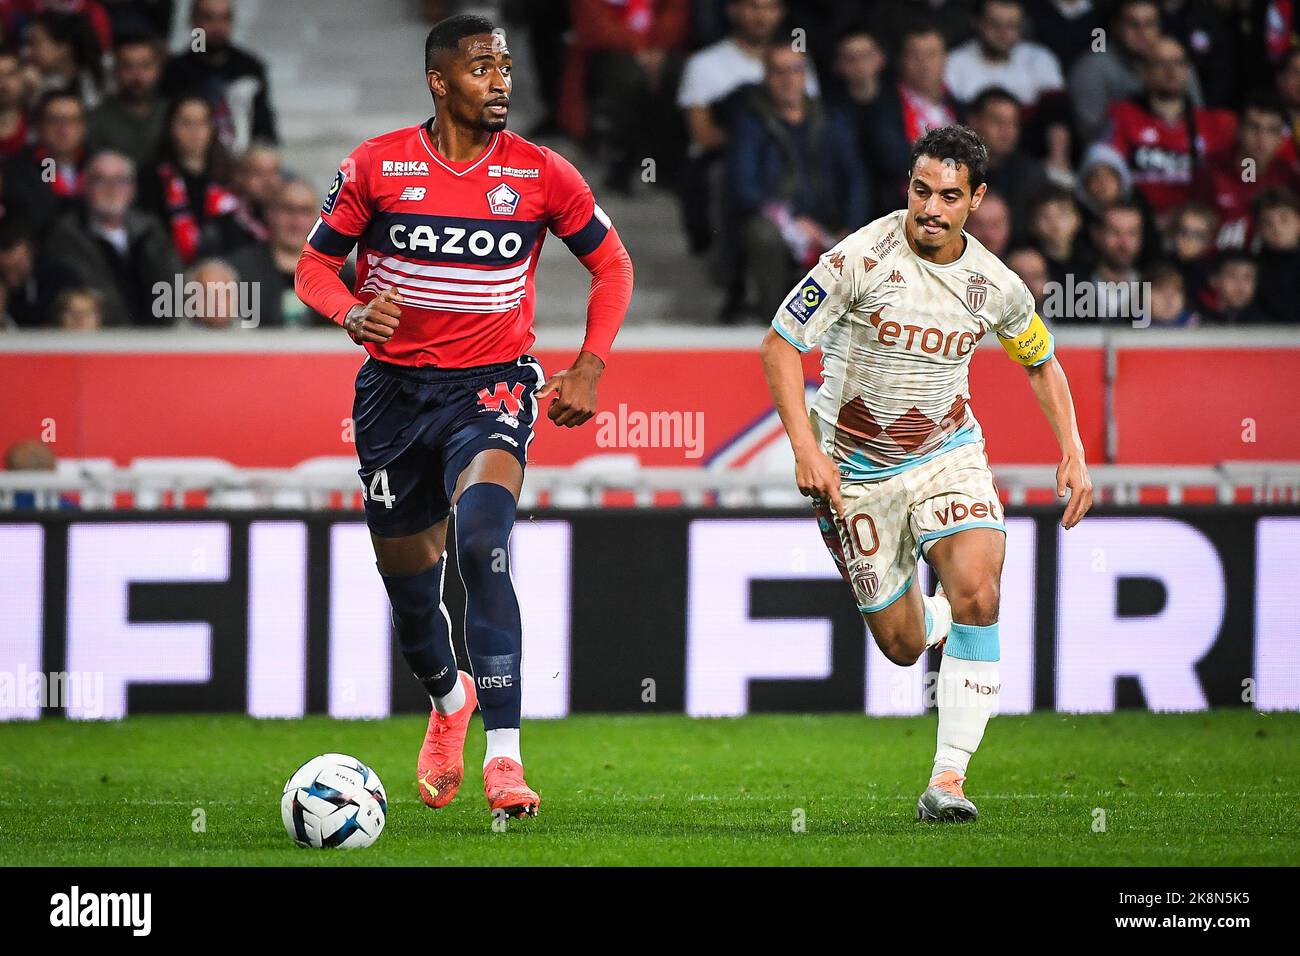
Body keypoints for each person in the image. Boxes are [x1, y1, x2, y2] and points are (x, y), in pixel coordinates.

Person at [295, 14, 633, 820]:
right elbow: (313, 264)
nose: (503, 81)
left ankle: (506, 763)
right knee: (413, 599)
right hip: (392, 398)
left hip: (492, 388)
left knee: (484, 545)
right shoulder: (376, 166)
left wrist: (589, 362)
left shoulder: (542, 173)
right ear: (440, 82)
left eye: (508, 66)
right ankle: (450, 700)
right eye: (482, 68)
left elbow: (610, 263)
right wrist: (348, 312)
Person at [759, 125, 1092, 822]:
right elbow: (781, 344)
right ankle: (938, 615)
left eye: (948, 196)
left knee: (980, 588)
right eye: (920, 191)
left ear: (977, 200)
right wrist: (804, 449)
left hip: (947, 454)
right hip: (853, 472)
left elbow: (1040, 360)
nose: (930, 209)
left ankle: (948, 782)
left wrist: (1073, 448)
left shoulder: (994, 284)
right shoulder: (859, 257)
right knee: (905, 646)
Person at [727, 45, 867, 316]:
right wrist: (790, 220)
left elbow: (855, 178)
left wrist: (851, 227)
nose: (788, 79)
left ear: (806, 76)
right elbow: (744, 187)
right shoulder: (750, 123)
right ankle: (776, 321)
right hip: (780, 223)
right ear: (766, 77)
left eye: (796, 70)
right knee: (763, 233)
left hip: (831, 221)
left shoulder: (831, 119)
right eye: (779, 72)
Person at [1104, 36, 1236, 223]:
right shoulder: (1122, 115)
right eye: (1161, 63)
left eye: (1179, 63)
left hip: (1196, 229)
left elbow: (1240, 178)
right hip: (1138, 225)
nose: (1171, 70)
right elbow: (1105, 173)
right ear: (1145, 71)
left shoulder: (1216, 123)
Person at [44, 150, 181, 326]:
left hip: (157, 344)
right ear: (85, 187)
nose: (112, 188)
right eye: (100, 180)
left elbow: (174, 289)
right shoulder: (67, 236)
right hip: (101, 344)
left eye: (121, 180)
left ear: (133, 190)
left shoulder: (152, 231)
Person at [228, 176, 352, 327]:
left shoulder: (345, 275)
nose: (296, 220)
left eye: (304, 211)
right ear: (270, 214)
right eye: (288, 209)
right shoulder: (238, 271)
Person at [162, 0, 278, 154]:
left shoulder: (249, 67)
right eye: (209, 18)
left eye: (225, 18)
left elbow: (264, 126)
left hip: (242, 160)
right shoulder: (177, 69)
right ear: (194, 21)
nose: (217, 26)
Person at [139, 93, 241, 264]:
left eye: (202, 123)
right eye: (186, 123)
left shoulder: (230, 178)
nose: (195, 132)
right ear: (170, 128)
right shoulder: (151, 178)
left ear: (212, 128)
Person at [943, 0, 1063, 107]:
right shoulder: (954, 63)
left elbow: (1056, 113)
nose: (1004, 34)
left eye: (1012, 26)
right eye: (995, 25)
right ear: (976, 22)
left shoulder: (1040, 59)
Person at [87, 33, 168, 169]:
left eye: (145, 65)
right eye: (128, 66)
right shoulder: (95, 120)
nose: (137, 75)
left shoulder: (172, 114)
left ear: (158, 69)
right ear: (115, 71)